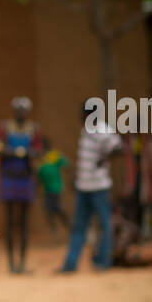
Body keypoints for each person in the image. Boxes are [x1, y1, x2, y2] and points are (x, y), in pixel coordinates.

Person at [57, 100, 123, 273]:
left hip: (99, 188)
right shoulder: (86, 130)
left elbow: (119, 147)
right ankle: (70, 264)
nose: (81, 116)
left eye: (83, 113)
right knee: (79, 226)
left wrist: (104, 158)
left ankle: (103, 262)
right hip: (83, 187)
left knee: (104, 225)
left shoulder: (103, 130)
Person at [0, 97, 43, 273]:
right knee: (9, 222)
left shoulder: (34, 129)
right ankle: (11, 264)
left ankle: (22, 262)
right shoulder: (5, 127)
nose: (21, 113)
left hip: (25, 178)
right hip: (9, 177)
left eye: (24, 110)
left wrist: (17, 153)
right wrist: (21, 153)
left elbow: (38, 151)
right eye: (18, 110)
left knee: (23, 223)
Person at [37, 137, 70, 235]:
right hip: (47, 188)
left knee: (55, 207)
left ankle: (66, 224)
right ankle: (54, 228)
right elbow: (39, 174)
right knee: (49, 209)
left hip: (56, 186)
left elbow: (66, 164)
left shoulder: (54, 155)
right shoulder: (40, 157)